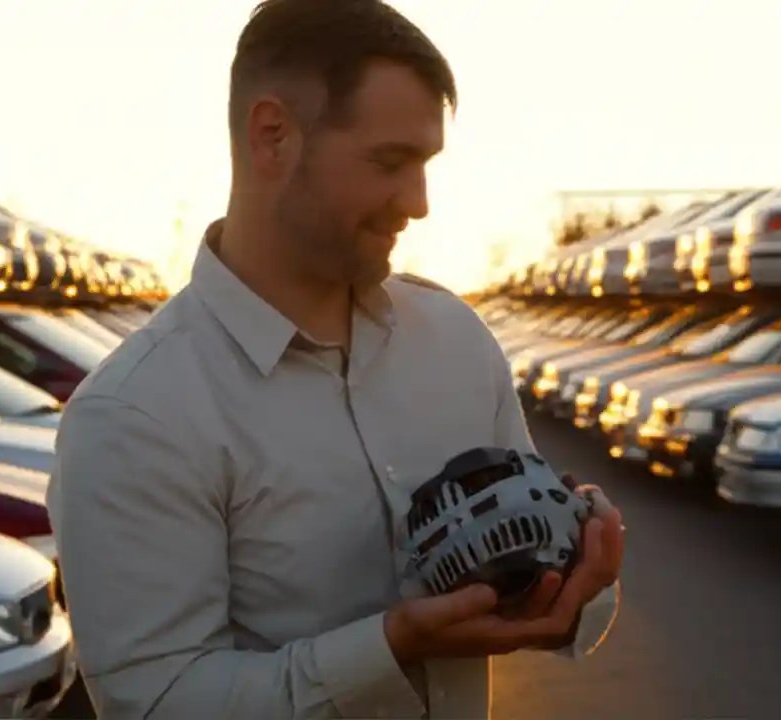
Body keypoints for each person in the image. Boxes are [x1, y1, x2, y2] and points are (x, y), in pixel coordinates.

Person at [45, 1, 624, 717]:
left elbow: (548, 580)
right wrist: (391, 646)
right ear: (272, 135)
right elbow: (159, 704)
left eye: (427, 164)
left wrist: (572, 587)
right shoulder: (135, 414)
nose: (419, 203)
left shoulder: (455, 340)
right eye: (390, 162)